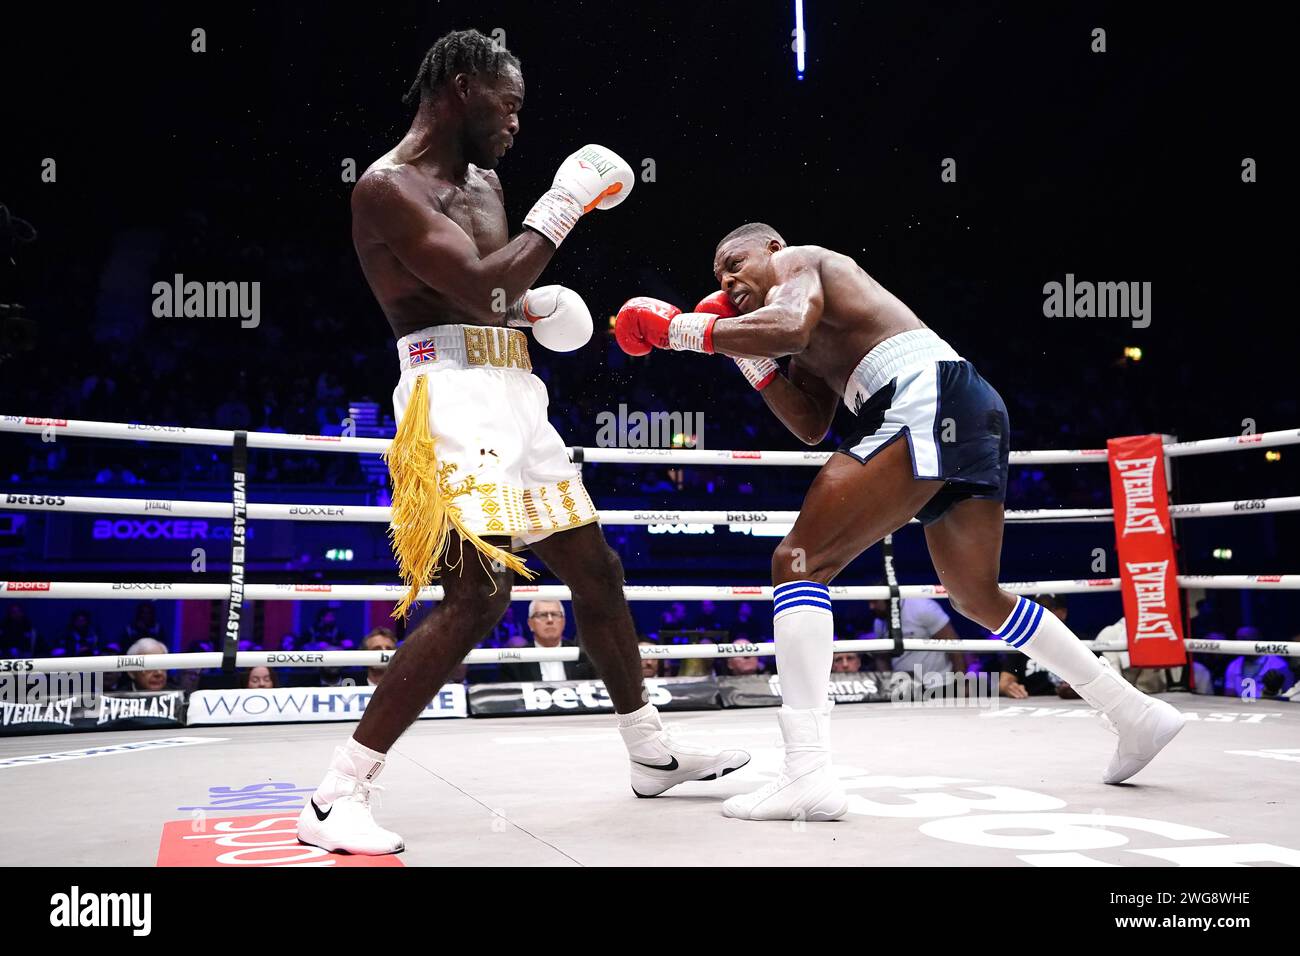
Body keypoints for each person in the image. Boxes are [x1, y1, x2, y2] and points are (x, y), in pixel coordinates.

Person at [298, 30, 747, 856]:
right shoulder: (386, 188)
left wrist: (534, 312)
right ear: (462, 88)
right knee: (478, 597)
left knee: (595, 566)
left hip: (514, 389)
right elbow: (486, 282)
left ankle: (652, 752)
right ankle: (336, 795)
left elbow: (497, 296)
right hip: (448, 398)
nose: (515, 125)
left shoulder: (488, 181)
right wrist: (564, 203)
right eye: (507, 106)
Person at [615, 222, 1184, 821]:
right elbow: (810, 422)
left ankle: (806, 770)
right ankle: (1133, 712)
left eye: (735, 263)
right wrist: (748, 361)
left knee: (798, 560)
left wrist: (685, 331)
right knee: (975, 594)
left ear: (773, 250)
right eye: (718, 278)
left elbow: (788, 325)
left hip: (922, 393)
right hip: (958, 404)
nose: (728, 281)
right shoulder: (792, 331)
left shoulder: (803, 262)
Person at [497, 600, 591, 681]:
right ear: (530, 624)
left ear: (564, 622)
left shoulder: (583, 656)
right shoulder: (515, 663)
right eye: (542, 615)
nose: (550, 620)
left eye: (555, 614)